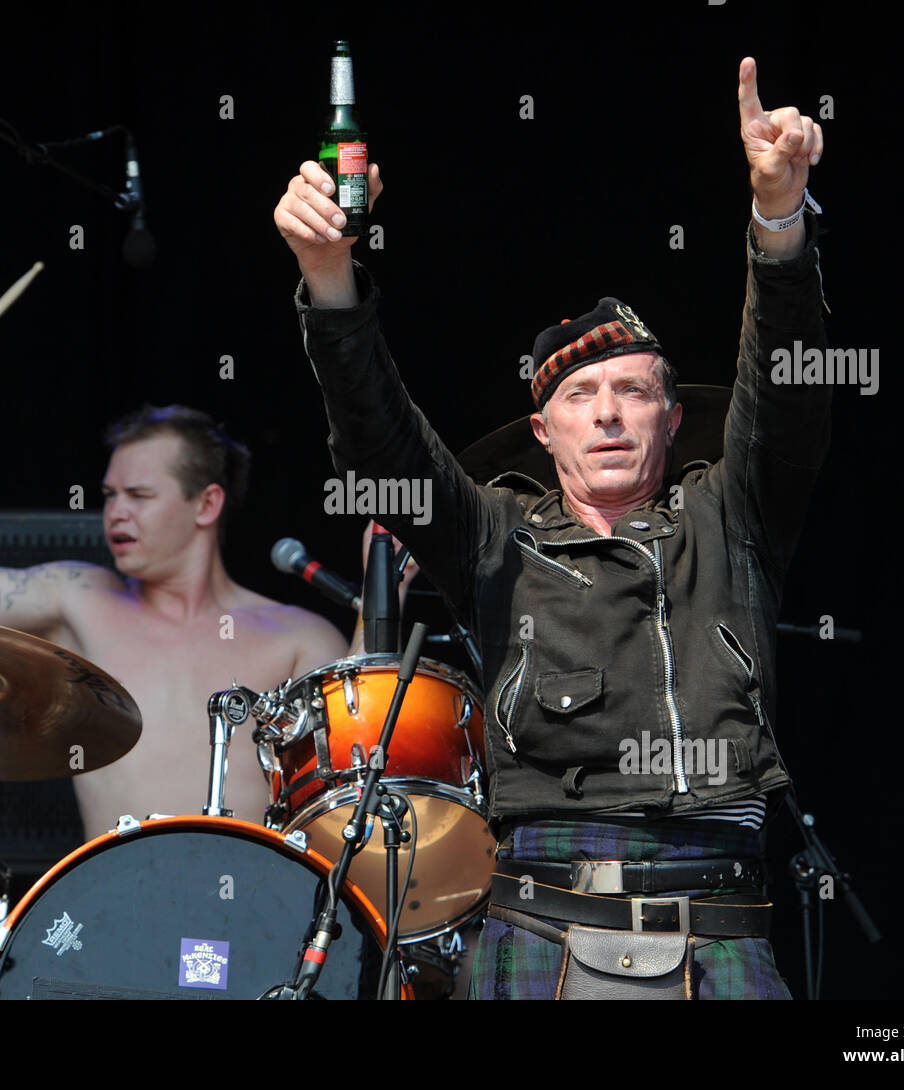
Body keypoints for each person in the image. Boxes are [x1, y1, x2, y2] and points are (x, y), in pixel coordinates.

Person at [274, 56, 827, 999]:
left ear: (671, 416)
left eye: (632, 392)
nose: (608, 413)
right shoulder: (497, 536)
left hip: (722, 922)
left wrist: (779, 220)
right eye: (581, 395)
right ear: (543, 430)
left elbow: (785, 393)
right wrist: (330, 277)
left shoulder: (727, 518)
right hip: (544, 917)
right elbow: (381, 449)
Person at [0, 399, 349, 836]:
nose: (115, 512)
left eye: (138, 496)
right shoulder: (79, 599)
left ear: (207, 504)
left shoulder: (298, 638)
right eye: (110, 494)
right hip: (112, 910)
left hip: (256, 914)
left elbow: (355, 789)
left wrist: (383, 601)